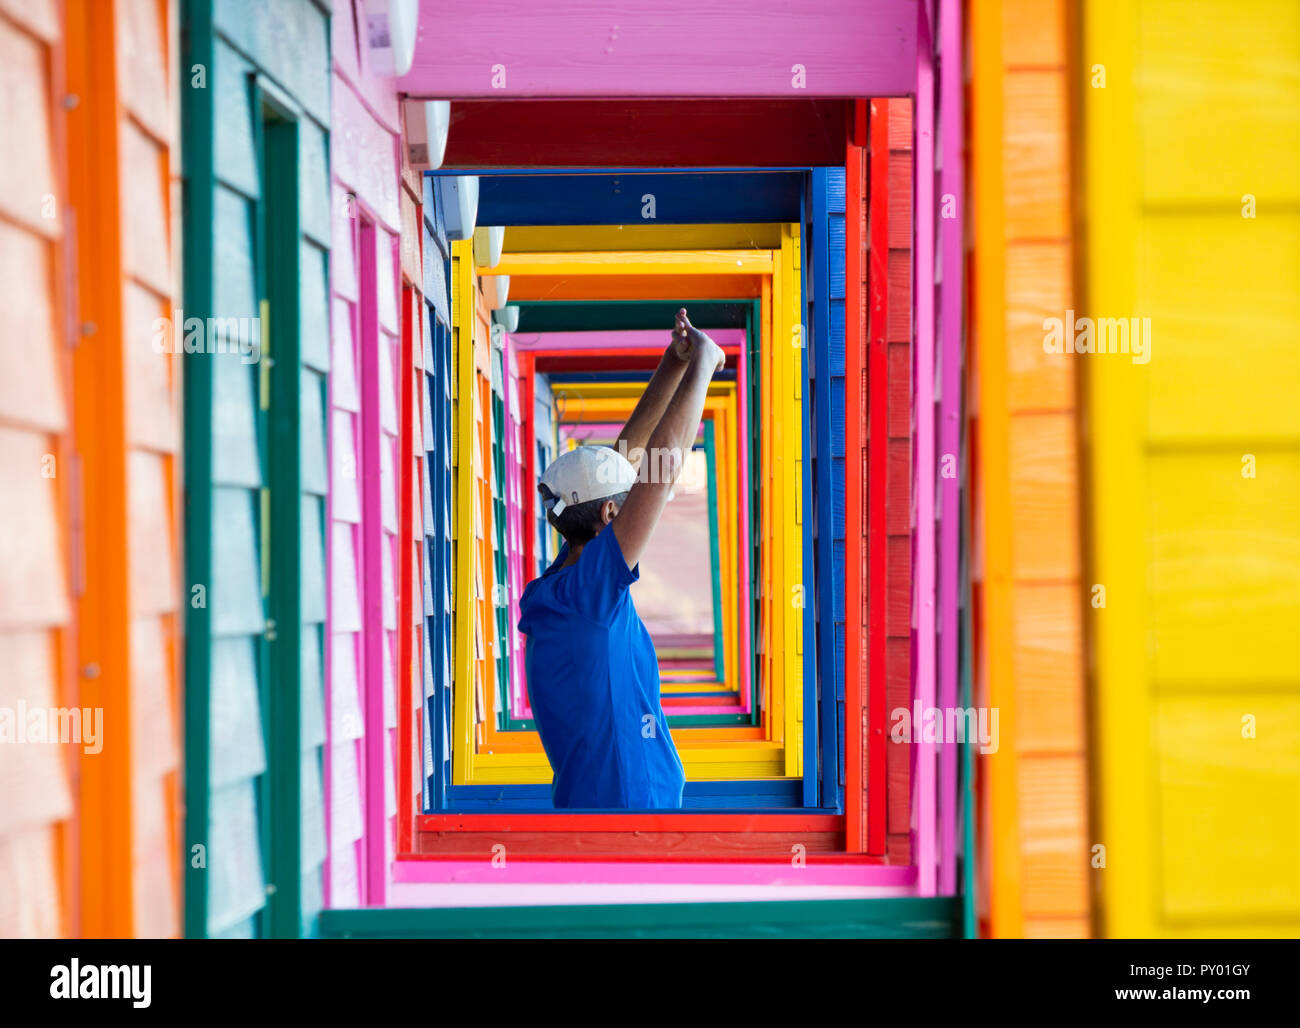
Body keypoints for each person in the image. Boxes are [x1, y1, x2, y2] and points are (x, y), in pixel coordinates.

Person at [517, 308, 726, 808]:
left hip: (592, 806)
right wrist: (702, 365)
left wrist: (671, 367)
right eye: (624, 502)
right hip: (633, 805)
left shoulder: (554, 588)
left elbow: (619, 465)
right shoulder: (593, 593)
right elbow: (660, 467)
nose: (638, 504)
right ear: (610, 513)